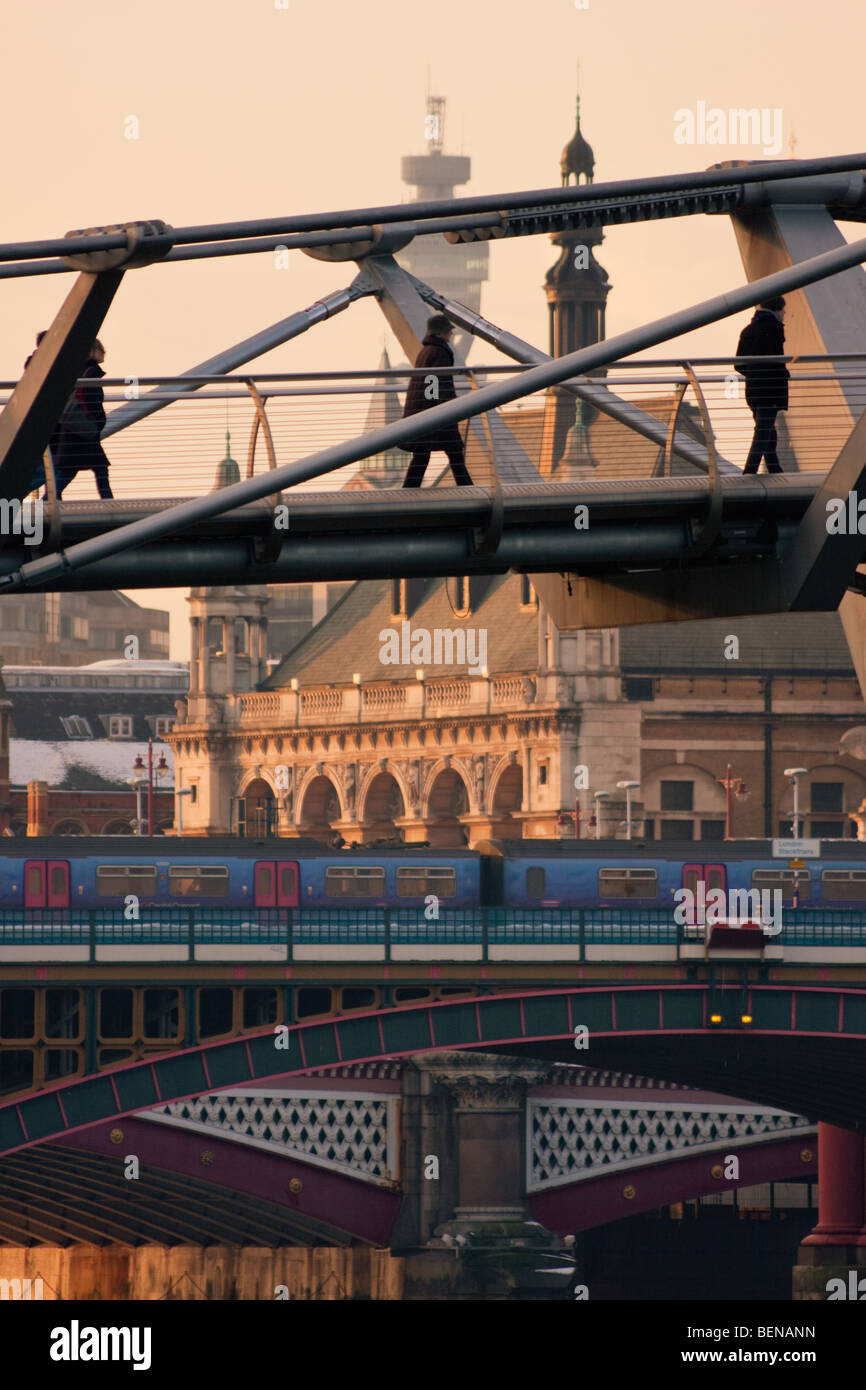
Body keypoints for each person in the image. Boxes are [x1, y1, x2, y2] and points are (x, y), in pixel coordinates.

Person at [401, 314, 473, 488]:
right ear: (442, 333)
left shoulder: (426, 351)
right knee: (454, 451)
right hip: (434, 412)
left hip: (421, 410)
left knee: (421, 454)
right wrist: (442, 407)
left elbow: (428, 381)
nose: (451, 335)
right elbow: (434, 381)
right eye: (449, 331)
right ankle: (469, 489)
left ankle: (407, 493)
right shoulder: (439, 352)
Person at [735, 296, 790, 475]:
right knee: (763, 429)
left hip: (753, 388)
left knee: (766, 427)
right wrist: (782, 375)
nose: (785, 313)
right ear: (776, 309)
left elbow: (738, 364)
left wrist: (754, 374)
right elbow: (776, 359)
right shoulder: (774, 328)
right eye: (783, 309)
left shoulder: (747, 331)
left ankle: (774, 466)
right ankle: (749, 471)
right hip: (770, 387)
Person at [55, 340, 114, 499]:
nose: (103, 354)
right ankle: (110, 505)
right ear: (93, 351)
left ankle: (50, 500)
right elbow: (91, 400)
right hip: (84, 429)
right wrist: (98, 420)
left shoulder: (79, 369)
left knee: (71, 469)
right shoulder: (91, 372)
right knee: (99, 468)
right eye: (101, 350)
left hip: (74, 429)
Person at [23, 330, 58, 495]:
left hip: (38, 416)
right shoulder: (45, 361)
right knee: (49, 462)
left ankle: (52, 497)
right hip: (44, 416)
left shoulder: (34, 361)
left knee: (46, 461)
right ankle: (50, 497)